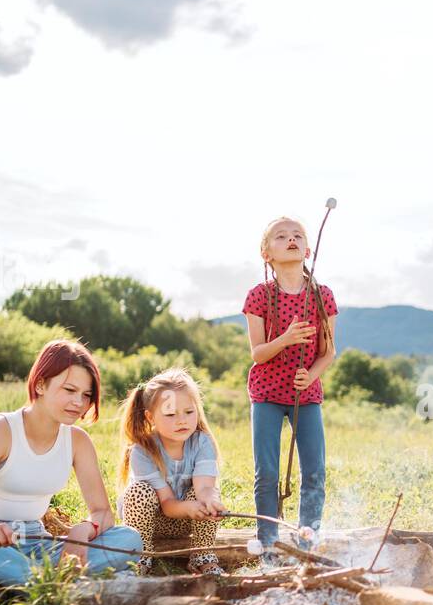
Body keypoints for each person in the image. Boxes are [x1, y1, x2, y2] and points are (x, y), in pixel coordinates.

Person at [0, 340, 143, 605]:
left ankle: (8, 585)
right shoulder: (0, 431)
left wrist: (83, 530)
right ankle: (42, 583)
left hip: (37, 542)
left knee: (128, 540)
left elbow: (102, 513)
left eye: (86, 395)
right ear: (40, 384)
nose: (78, 402)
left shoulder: (78, 442)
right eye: (69, 390)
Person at [242, 215, 338, 552]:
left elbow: (329, 353)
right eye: (281, 237)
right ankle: (267, 543)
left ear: (308, 250)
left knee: (314, 470)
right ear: (266, 253)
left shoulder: (322, 296)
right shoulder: (259, 296)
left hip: (306, 395)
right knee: (266, 472)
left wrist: (310, 375)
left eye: (298, 235)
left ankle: (307, 540)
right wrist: (286, 338)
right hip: (267, 394)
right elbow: (258, 353)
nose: (291, 239)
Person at [117, 368, 225, 577]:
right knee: (138, 491)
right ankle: (140, 557)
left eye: (189, 412)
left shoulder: (201, 442)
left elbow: (204, 487)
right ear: (150, 417)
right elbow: (166, 503)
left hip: (187, 520)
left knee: (207, 493)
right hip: (151, 520)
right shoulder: (142, 450)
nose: (182, 420)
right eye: (170, 414)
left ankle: (203, 556)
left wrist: (211, 501)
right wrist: (188, 507)